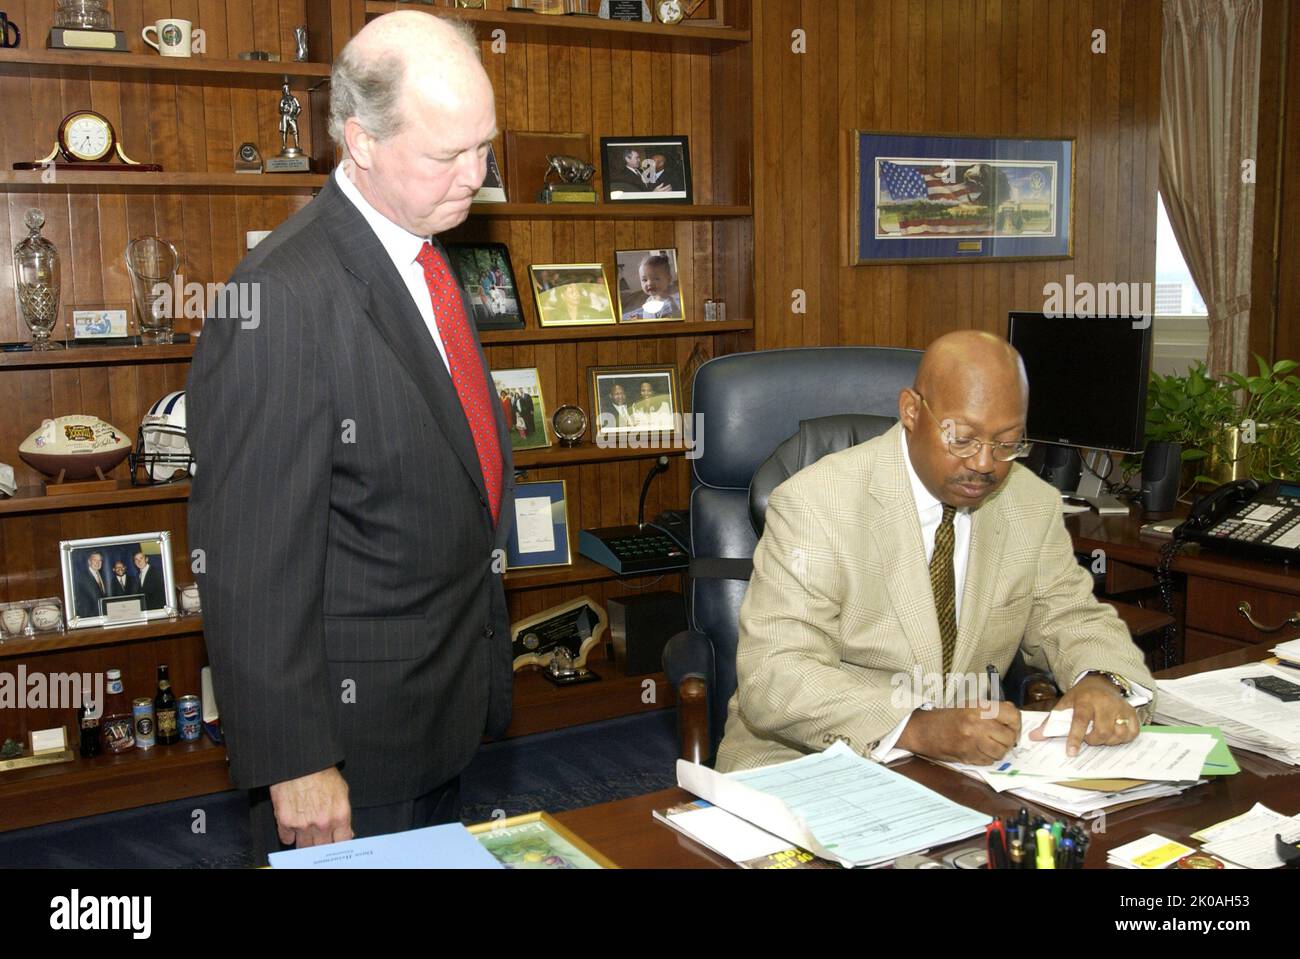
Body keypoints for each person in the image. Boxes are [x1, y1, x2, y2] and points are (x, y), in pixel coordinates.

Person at [187, 10, 514, 865]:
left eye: (485, 146)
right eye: (448, 154)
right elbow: (252, 561)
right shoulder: (279, 299)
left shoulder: (425, 251)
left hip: (442, 706)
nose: (477, 175)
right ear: (360, 143)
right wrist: (297, 758)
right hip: (349, 749)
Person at [715, 331, 1156, 772]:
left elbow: (1070, 616)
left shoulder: (1031, 504)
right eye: (962, 439)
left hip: (967, 769)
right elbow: (775, 672)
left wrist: (1102, 679)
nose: (985, 463)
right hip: (809, 764)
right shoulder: (816, 502)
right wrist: (919, 728)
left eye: (1007, 443)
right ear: (910, 410)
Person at [622, 254, 682, 321]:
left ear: (668, 279)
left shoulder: (669, 308)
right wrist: (641, 318)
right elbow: (650, 316)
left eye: (656, 279)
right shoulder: (650, 300)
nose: (649, 283)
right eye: (644, 280)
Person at [73, 551, 109, 619]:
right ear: (89, 562)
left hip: (102, 615)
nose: (98, 563)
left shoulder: (103, 575)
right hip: (89, 616)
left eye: (100, 560)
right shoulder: (82, 576)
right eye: (95, 560)